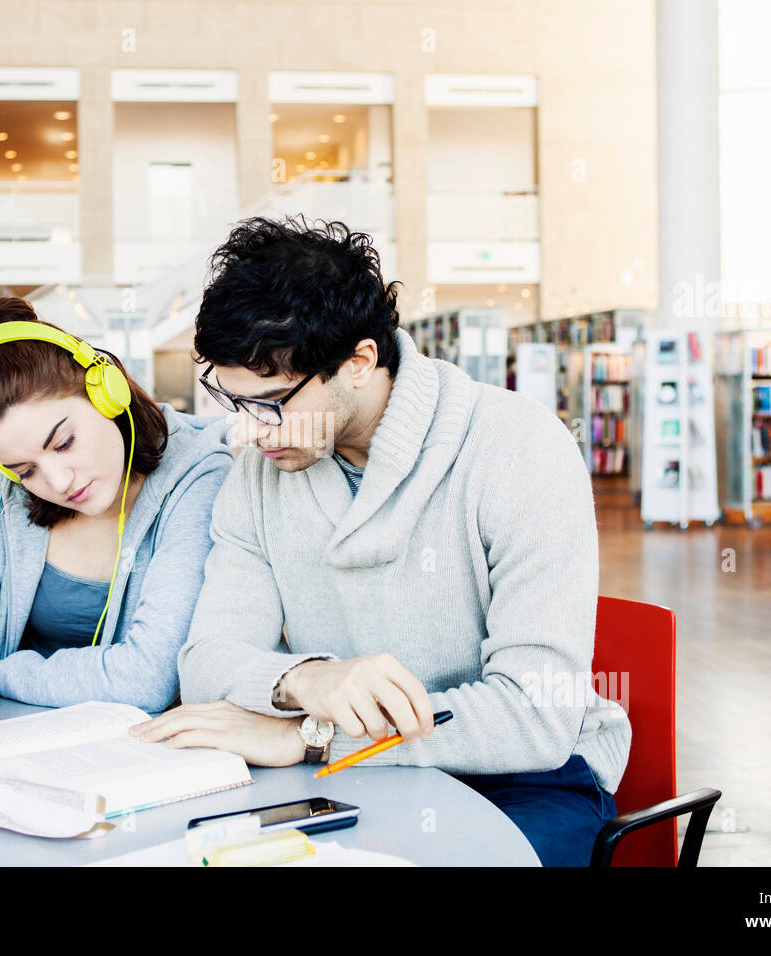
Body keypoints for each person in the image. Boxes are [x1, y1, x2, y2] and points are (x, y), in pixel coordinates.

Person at [130, 217, 632, 866]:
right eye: (236, 402)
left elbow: (533, 720)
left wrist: (314, 738)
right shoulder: (259, 475)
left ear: (360, 361)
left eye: (275, 402)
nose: (252, 431)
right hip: (349, 775)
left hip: (528, 783)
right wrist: (304, 681)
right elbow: (207, 661)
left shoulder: (519, 447)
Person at [0, 297, 233, 736]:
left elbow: (148, 677)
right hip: (9, 745)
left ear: (107, 391)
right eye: (26, 470)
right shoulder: (1, 482)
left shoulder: (197, 473)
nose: (59, 480)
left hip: (132, 755)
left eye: (63, 442)